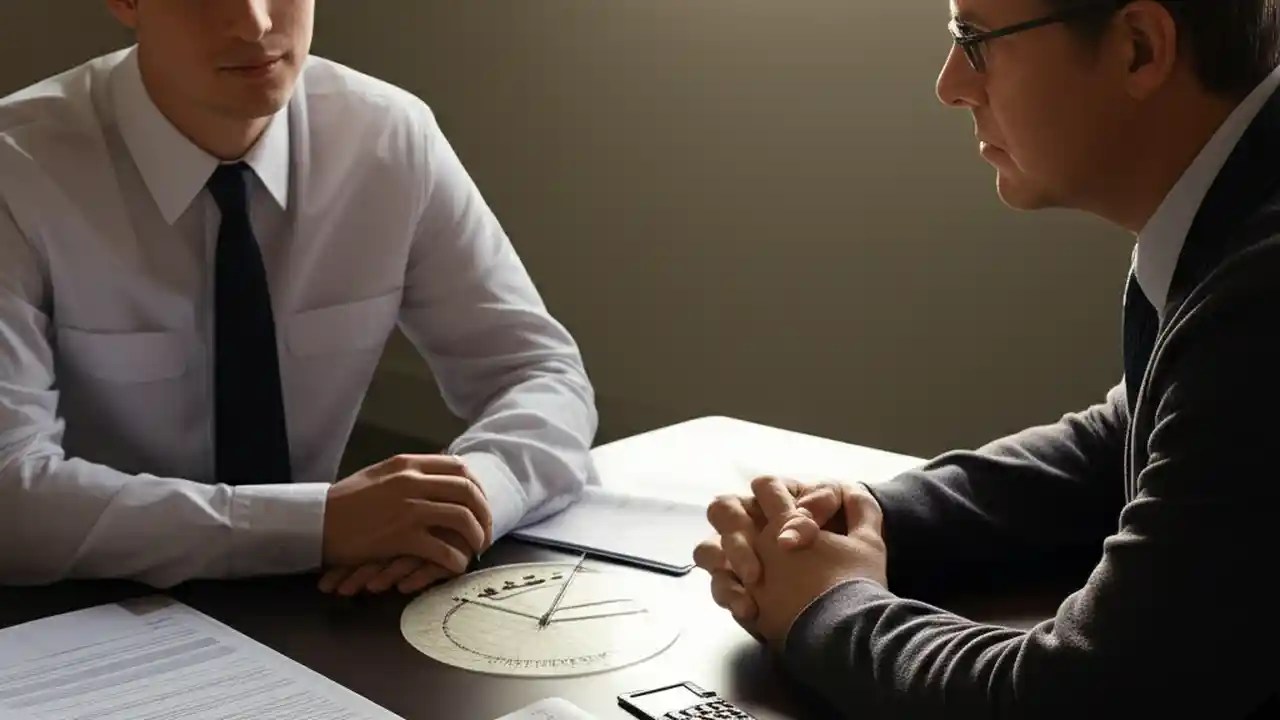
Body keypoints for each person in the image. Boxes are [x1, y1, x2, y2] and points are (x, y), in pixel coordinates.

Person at [695, 0, 1280, 716]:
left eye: (974, 40)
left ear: (1138, 48)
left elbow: (1080, 695)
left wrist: (827, 608)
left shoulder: (1262, 298)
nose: (950, 85)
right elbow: (1127, 441)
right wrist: (862, 517)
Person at [0, 0, 598, 596]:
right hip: (74, 610)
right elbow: (9, 492)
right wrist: (317, 526)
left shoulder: (387, 138)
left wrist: (463, 499)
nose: (255, 22)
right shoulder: (18, 169)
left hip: (320, 596)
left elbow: (541, 373)